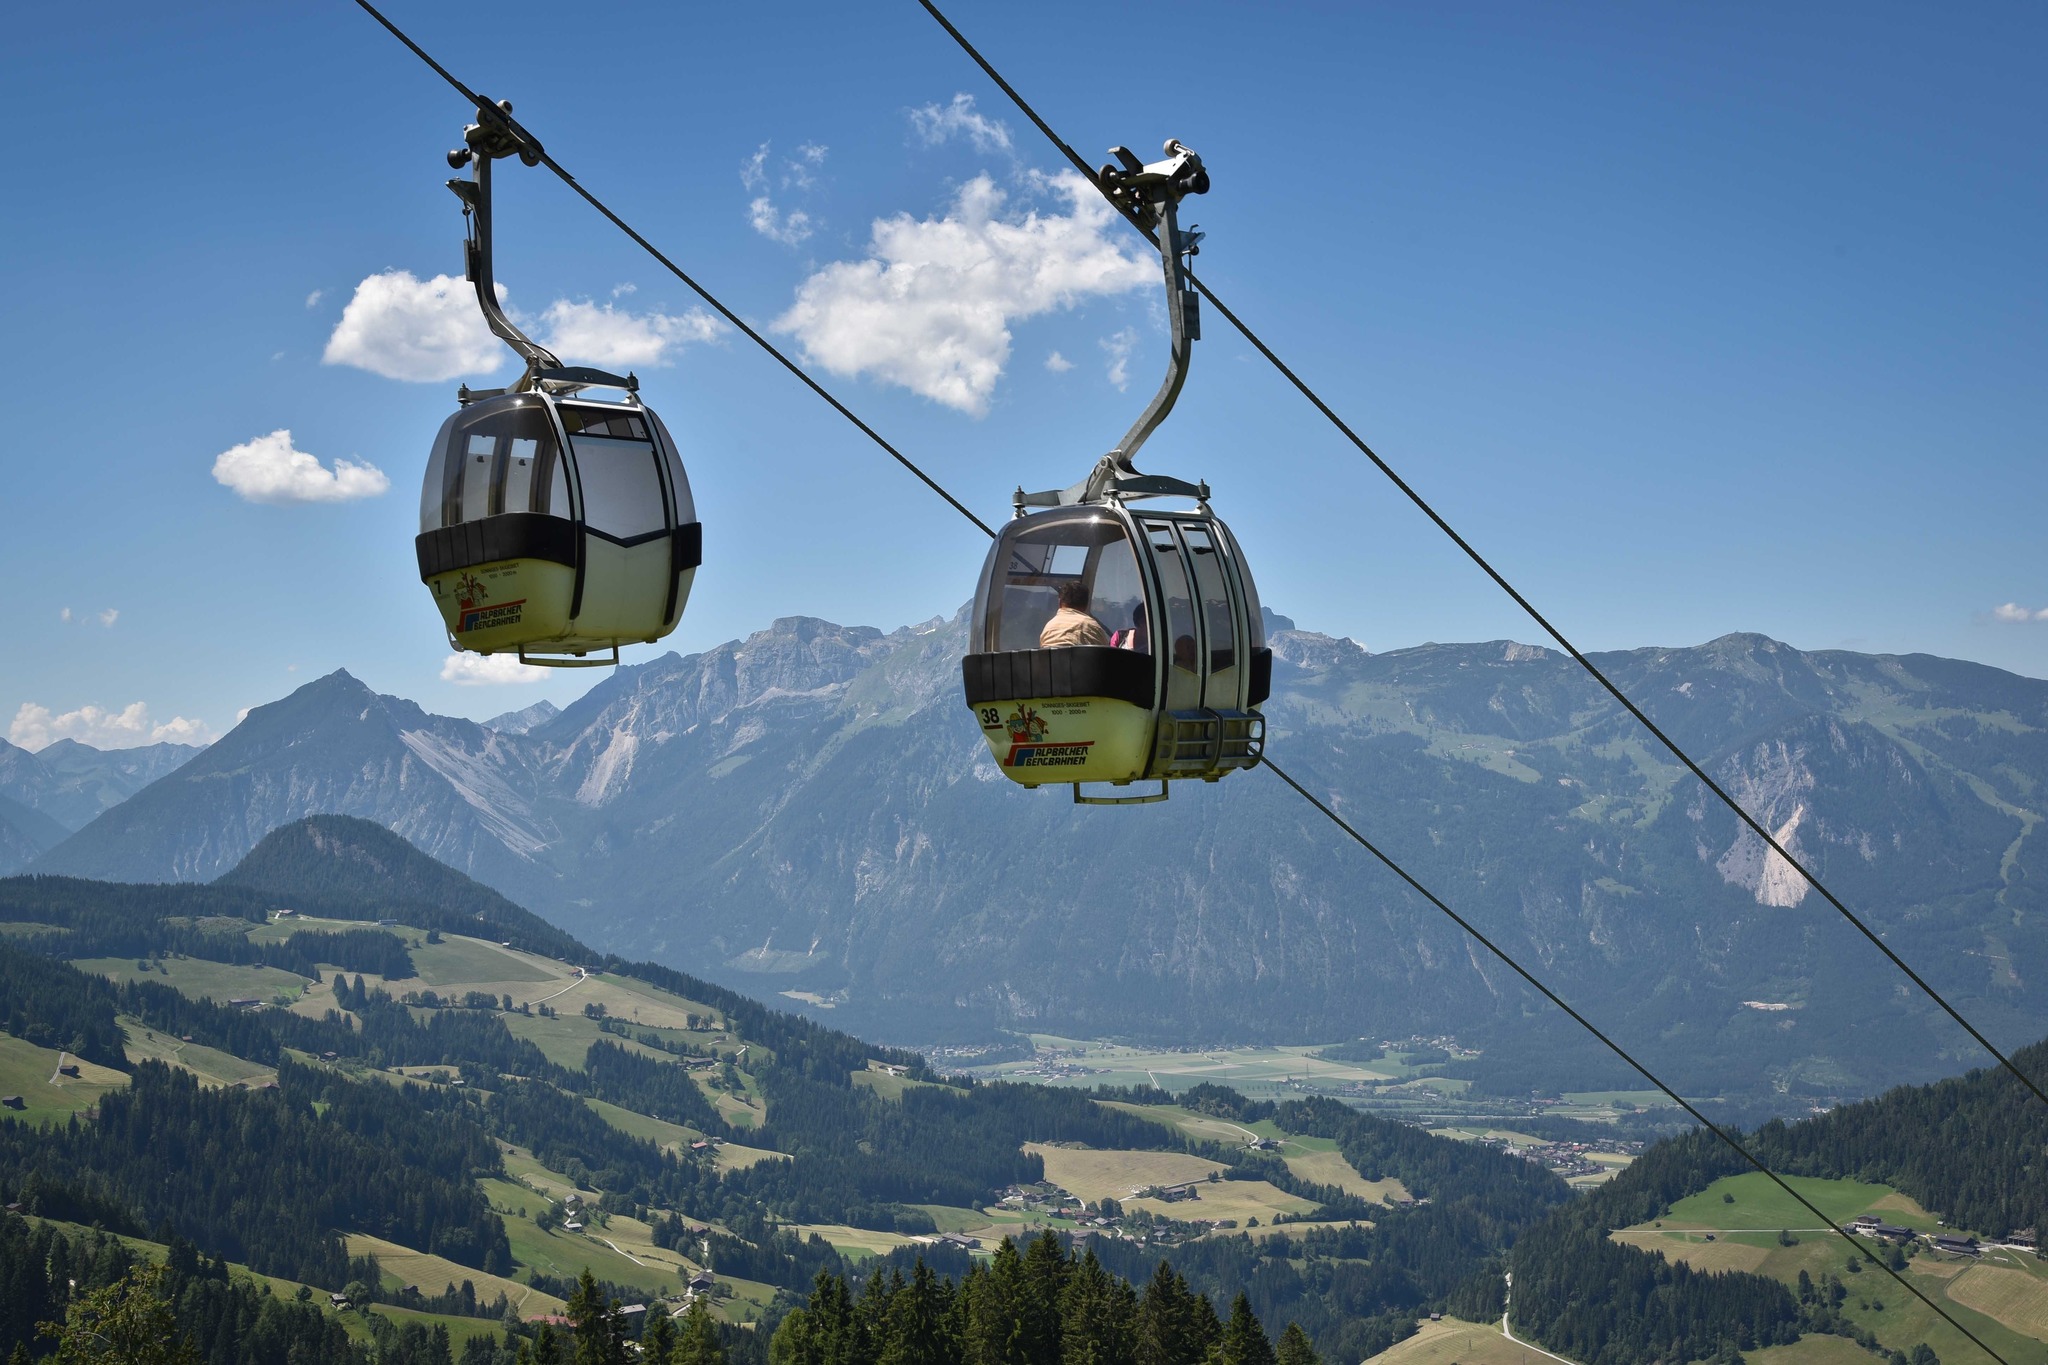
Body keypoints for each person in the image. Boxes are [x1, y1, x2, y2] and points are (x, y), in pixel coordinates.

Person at [1039, 579, 1109, 647]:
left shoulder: (1048, 628)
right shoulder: (1091, 626)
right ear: (1086, 605)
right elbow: (1107, 655)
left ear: (1059, 602)